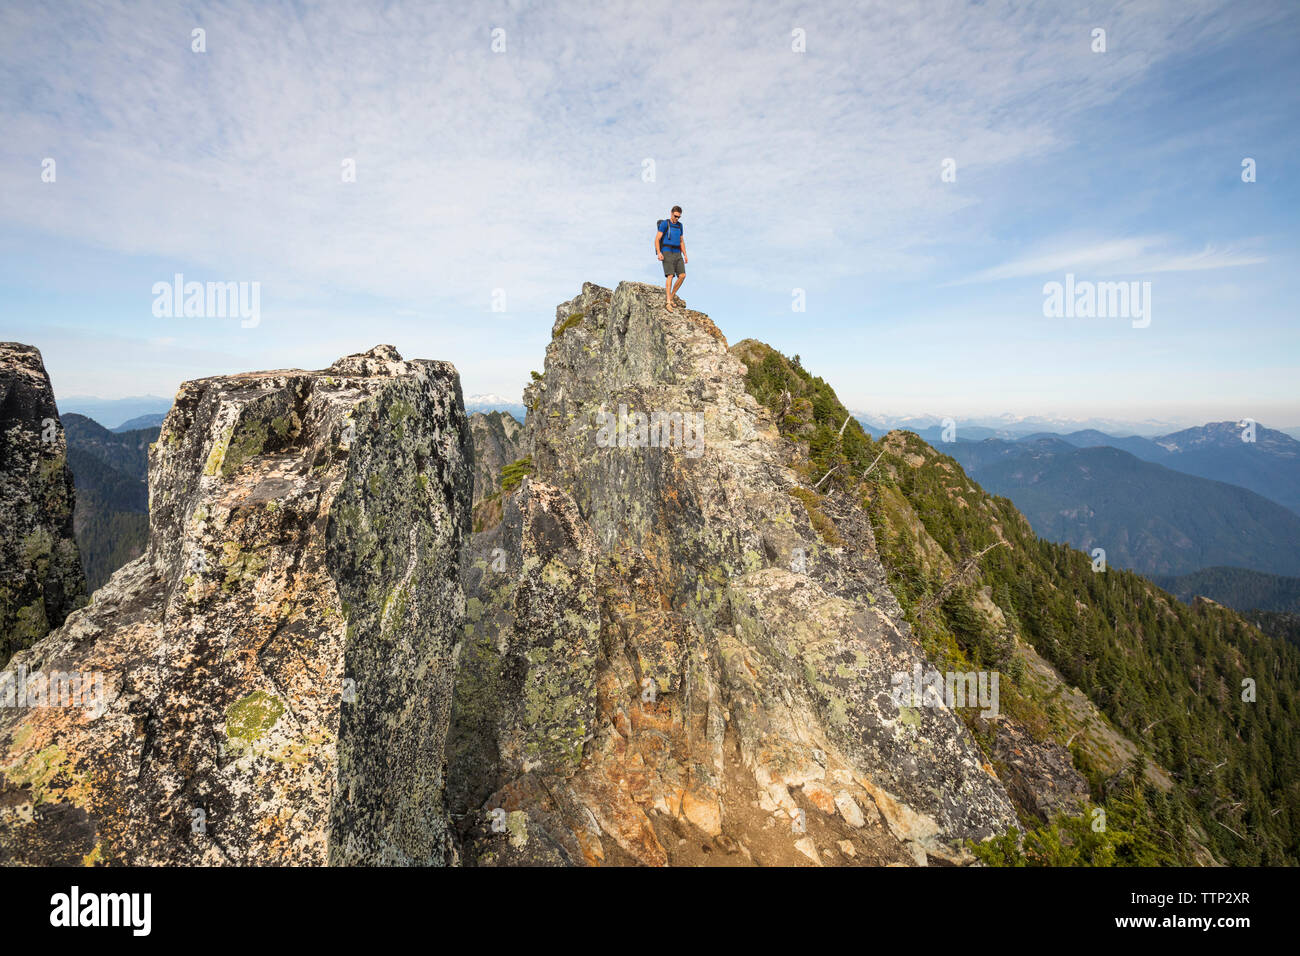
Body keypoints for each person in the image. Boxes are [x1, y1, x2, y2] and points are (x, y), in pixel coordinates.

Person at [655, 206, 687, 310]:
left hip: (677, 252)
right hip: (666, 251)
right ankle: (668, 302)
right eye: (675, 216)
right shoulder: (665, 223)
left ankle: (672, 296)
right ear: (671, 213)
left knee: (682, 275)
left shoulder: (679, 226)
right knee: (670, 275)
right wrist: (659, 252)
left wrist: (685, 254)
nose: (677, 218)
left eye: (679, 217)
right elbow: (657, 239)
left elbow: (681, 241)